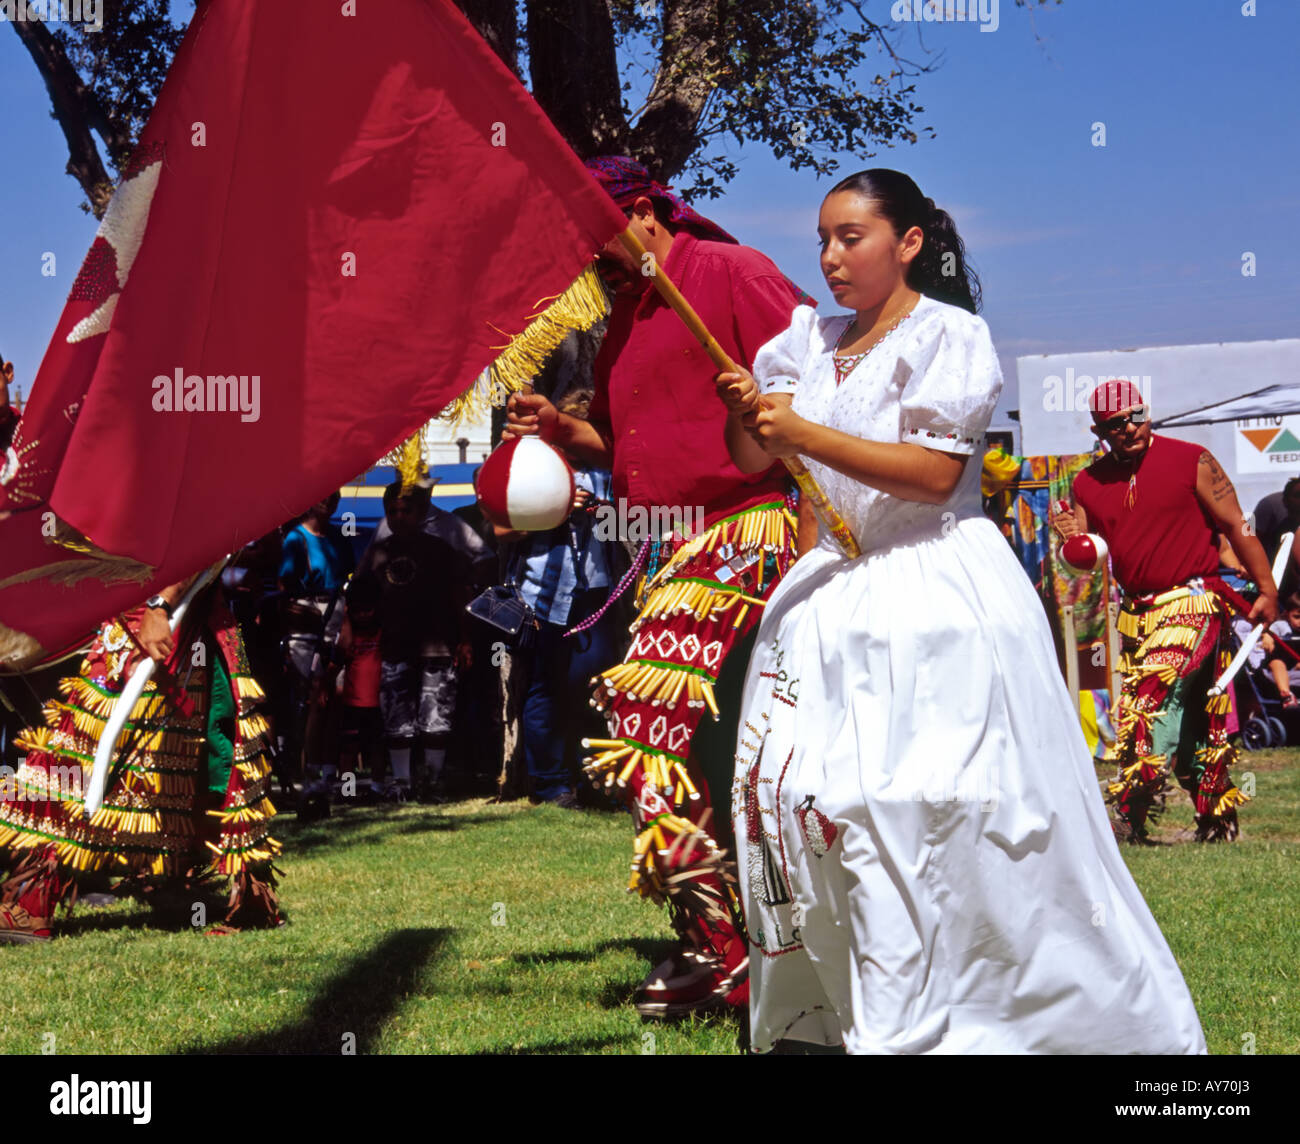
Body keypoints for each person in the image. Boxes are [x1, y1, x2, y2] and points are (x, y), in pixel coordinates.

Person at [716, 168, 1206, 1053]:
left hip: (933, 592)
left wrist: (803, 432)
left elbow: (934, 475)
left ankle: (990, 1007)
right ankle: (842, 1009)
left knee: (925, 801)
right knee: (806, 804)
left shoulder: (951, 337)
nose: (829, 257)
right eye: (822, 238)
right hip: (827, 602)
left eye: (851, 237)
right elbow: (758, 455)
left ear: (908, 243)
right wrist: (750, 415)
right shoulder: (804, 342)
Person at [506, 156, 807, 1015]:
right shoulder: (625, 314)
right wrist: (567, 431)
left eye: (590, 243)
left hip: (752, 529)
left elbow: (820, 393)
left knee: (647, 726)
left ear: (643, 210)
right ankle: (723, 940)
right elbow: (624, 442)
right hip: (666, 551)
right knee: (702, 750)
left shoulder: (735, 273)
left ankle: (733, 955)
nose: (583, 267)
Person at [0, 575, 282, 942]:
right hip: (139, 625)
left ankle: (30, 901)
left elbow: (205, 534)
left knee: (81, 760)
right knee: (96, 758)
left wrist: (160, 605)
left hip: (168, 630)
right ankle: (169, 880)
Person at [1054, 380, 1275, 842]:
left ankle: (1128, 818)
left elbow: (1237, 524)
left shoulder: (1191, 459)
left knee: (1149, 703)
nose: (1130, 427)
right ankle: (1217, 820)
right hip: (1137, 614)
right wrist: (1070, 538)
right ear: (1099, 430)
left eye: (1137, 415)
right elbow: (1085, 557)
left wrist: (1267, 588)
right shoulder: (1087, 483)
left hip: (1193, 603)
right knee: (1195, 718)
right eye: (1116, 424)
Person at [495, 389, 624, 807]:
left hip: (597, 596)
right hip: (543, 596)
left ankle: (595, 780)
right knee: (545, 691)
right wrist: (559, 508)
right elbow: (501, 530)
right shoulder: (535, 467)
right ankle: (551, 785)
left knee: (598, 689)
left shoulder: (610, 472)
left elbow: (635, 527)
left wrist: (604, 513)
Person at [356, 479, 473, 801]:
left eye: (406, 510)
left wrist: (465, 640)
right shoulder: (378, 553)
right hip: (394, 647)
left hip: (437, 646)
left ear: (421, 513)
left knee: (436, 718)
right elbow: (361, 596)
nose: (398, 517)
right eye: (391, 511)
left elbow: (460, 596)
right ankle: (402, 783)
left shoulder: (441, 551)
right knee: (397, 720)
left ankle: (433, 782)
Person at [278, 491, 354, 792]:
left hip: (337, 613)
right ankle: (305, 773)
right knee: (311, 697)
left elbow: (350, 583)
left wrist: (347, 623)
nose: (328, 500)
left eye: (334, 495)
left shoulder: (339, 537)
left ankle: (328, 770)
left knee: (335, 695)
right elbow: (285, 588)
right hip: (306, 618)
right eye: (323, 493)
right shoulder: (295, 538)